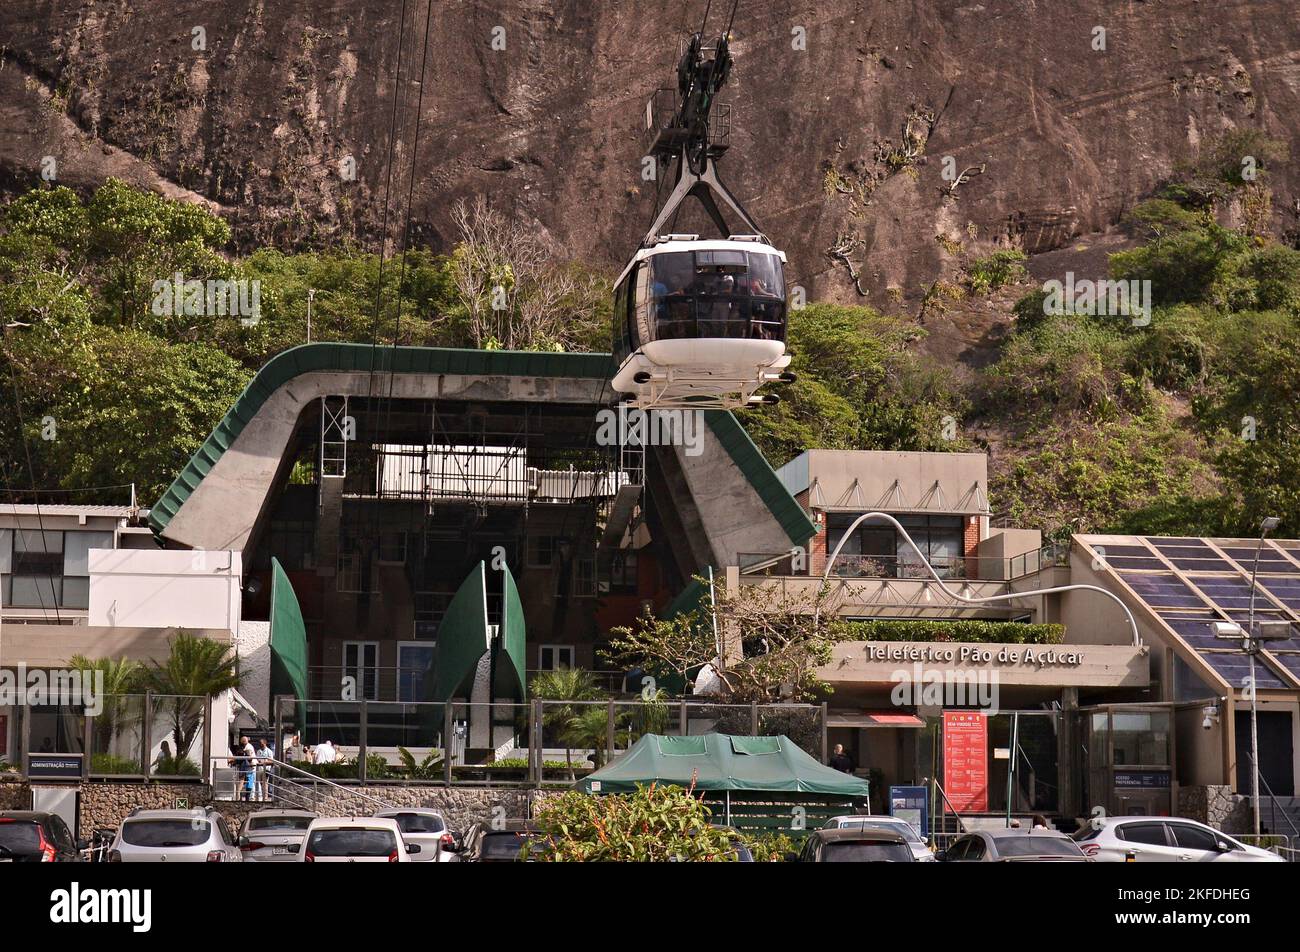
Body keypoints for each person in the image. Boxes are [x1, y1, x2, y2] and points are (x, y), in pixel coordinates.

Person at [238, 735, 256, 801]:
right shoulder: (248, 746)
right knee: (249, 781)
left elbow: (249, 757)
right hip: (248, 766)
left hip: (249, 766)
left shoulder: (248, 747)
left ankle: (248, 797)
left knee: (249, 782)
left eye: (242, 742)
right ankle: (248, 797)